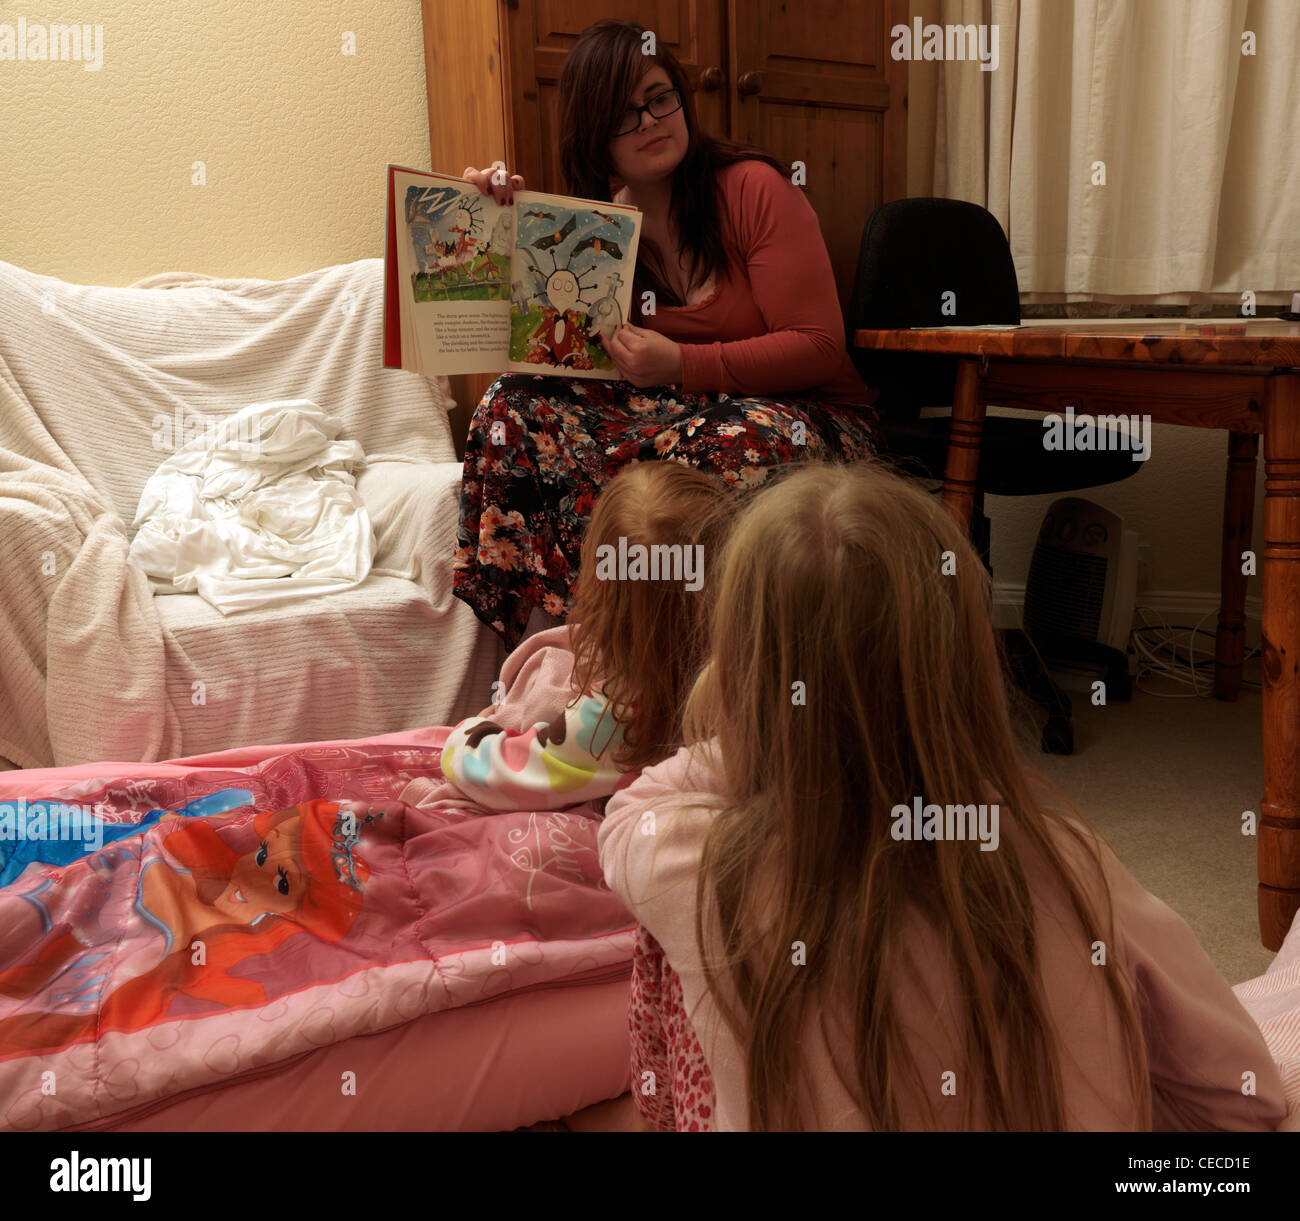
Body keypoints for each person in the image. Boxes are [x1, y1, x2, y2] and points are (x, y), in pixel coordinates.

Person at [599, 460, 1288, 1131]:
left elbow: (628, 813)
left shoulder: (695, 865)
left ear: (736, 678)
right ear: (975, 663)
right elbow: (1242, 1096)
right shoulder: (1071, 861)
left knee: (662, 965)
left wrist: (770, 728)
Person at [455, 19, 878, 650]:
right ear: (595, 137)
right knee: (508, 406)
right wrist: (494, 225)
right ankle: (564, 645)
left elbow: (818, 345)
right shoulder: (595, 231)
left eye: (659, 98)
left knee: (718, 448)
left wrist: (681, 361)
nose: (650, 120)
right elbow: (548, 356)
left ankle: (673, 658)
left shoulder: (754, 188)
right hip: (680, 414)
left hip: (809, 414)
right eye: (625, 114)